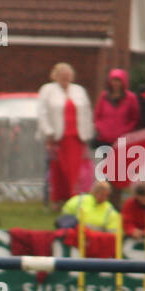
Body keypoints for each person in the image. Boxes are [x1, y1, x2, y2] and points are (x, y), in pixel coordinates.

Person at [37, 62, 94, 211]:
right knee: (57, 170)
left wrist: (87, 134)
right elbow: (42, 113)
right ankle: (57, 201)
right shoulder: (47, 90)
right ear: (55, 76)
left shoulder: (79, 90)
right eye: (62, 75)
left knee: (75, 171)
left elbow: (87, 113)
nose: (65, 78)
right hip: (57, 138)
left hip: (76, 138)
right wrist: (48, 132)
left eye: (68, 75)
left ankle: (74, 200)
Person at [94, 68, 140, 150]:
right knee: (104, 162)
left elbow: (134, 118)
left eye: (118, 80)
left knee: (121, 162)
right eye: (113, 80)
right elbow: (97, 116)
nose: (115, 83)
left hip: (122, 140)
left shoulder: (131, 98)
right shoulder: (104, 96)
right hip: (104, 139)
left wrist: (125, 131)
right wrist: (102, 130)